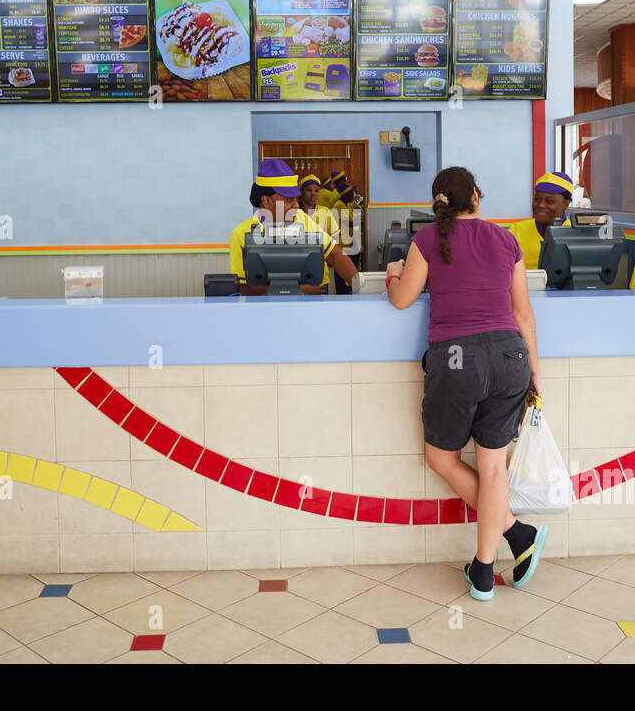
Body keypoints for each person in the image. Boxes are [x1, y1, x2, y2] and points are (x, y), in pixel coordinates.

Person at [385, 166, 547, 601]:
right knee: (493, 467)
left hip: (457, 360)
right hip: (510, 356)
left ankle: (515, 536)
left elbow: (402, 300)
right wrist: (533, 368)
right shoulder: (507, 239)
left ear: (437, 203)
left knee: (441, 458)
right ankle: (488, 564)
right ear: (476, 196)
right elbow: (522, 313)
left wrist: (392, 274)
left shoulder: (426, 241)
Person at [228, 158, 358, 296]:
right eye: (289, 199)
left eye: (296, 198)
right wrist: (298, 290)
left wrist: (360, 286)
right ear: (266, 201)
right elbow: (243, 287)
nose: (296, 205)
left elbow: (334, 254)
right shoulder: (241, 234)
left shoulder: (301, 219)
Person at [508, 171, 574, 269]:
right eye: (537, 199)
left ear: (566, 204)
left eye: (549, 201)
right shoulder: (516, 230)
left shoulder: (575, 232)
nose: (541, 205)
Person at [297, 174, 340, 291]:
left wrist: (327, 253)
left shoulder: (325, 212)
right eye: (308, 190)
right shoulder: (294, 213)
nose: (313, 193)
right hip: (297, 266)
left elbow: (335, 237)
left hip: (319, 268)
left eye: (316, 190)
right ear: (301, 192)